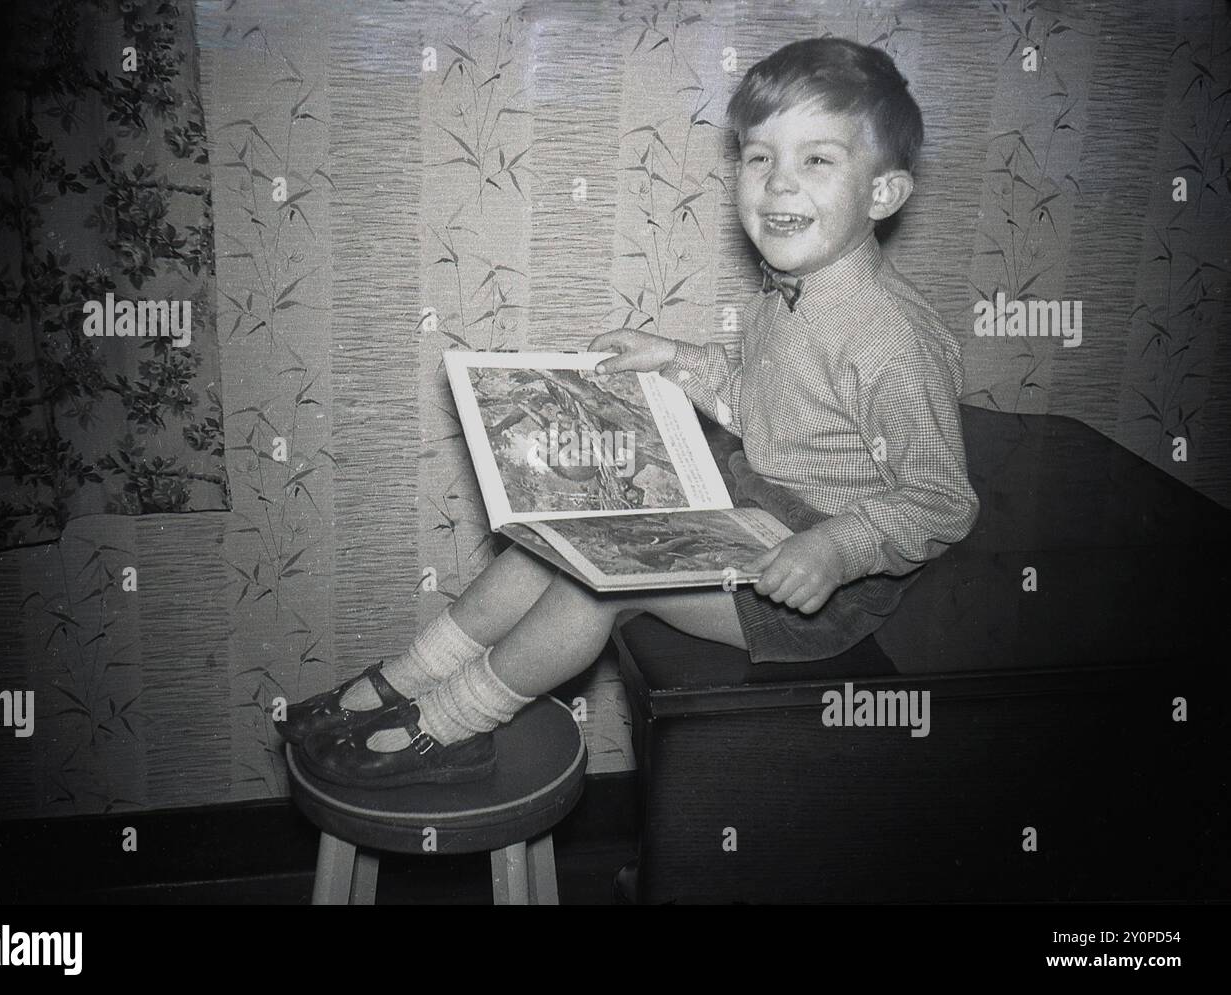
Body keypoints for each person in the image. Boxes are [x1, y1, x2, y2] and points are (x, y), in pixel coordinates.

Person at [278, 36, 979, 788]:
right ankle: (410, 675)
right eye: (757, 157)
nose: (777, 185)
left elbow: (941, 501)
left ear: (883, 194)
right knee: (555, 538)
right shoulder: (789, 291)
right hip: (751, 512)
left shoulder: (894, 340)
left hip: (815, 586)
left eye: (816, 160)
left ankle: (454, 725)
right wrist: (672, 356)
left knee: (600, 581)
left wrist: (837, 548)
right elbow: (755, 395)